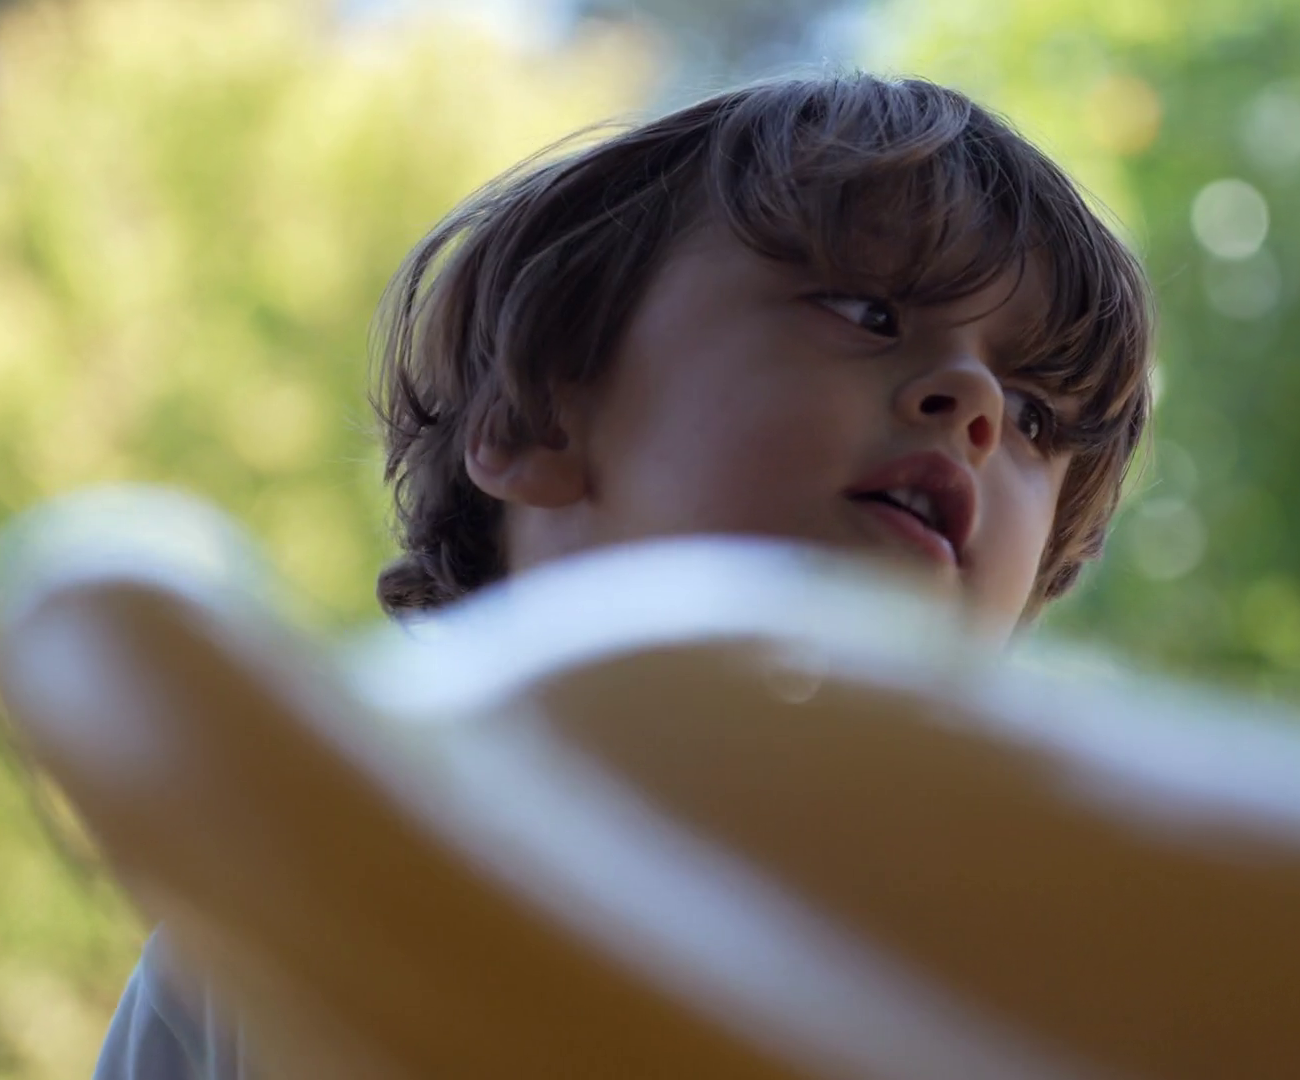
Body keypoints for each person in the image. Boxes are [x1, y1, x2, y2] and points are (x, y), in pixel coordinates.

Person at [91, 69, 1154, 1079]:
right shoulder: (288, 918)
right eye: (869, 314)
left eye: (1034, 417)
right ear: (535, 416)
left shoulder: (1044, 974)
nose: (970, 400)